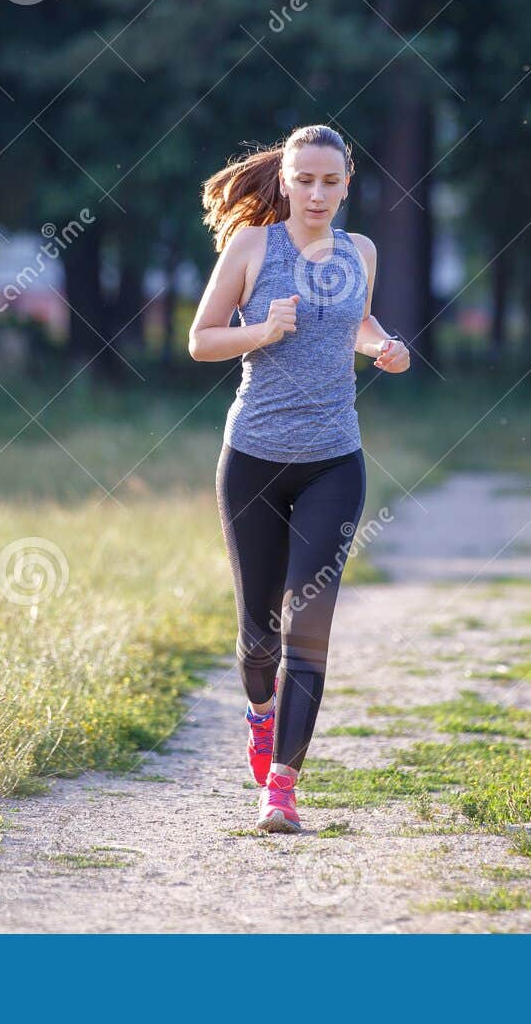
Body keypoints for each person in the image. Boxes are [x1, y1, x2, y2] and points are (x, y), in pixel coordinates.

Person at [188, 124, 411, 832]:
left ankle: (281, 787)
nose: (317, 193)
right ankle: (261, 713)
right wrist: (260, 331)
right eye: (304, 179)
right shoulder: (252, 247)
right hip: (253, 457)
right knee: (260, 638)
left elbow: (356, 319)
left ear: (349, 184)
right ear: (283, 181)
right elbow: (199, 339)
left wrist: (381, 344)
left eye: (331, 181)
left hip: (334, 463)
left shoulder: (361, 252)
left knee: (307, 628)